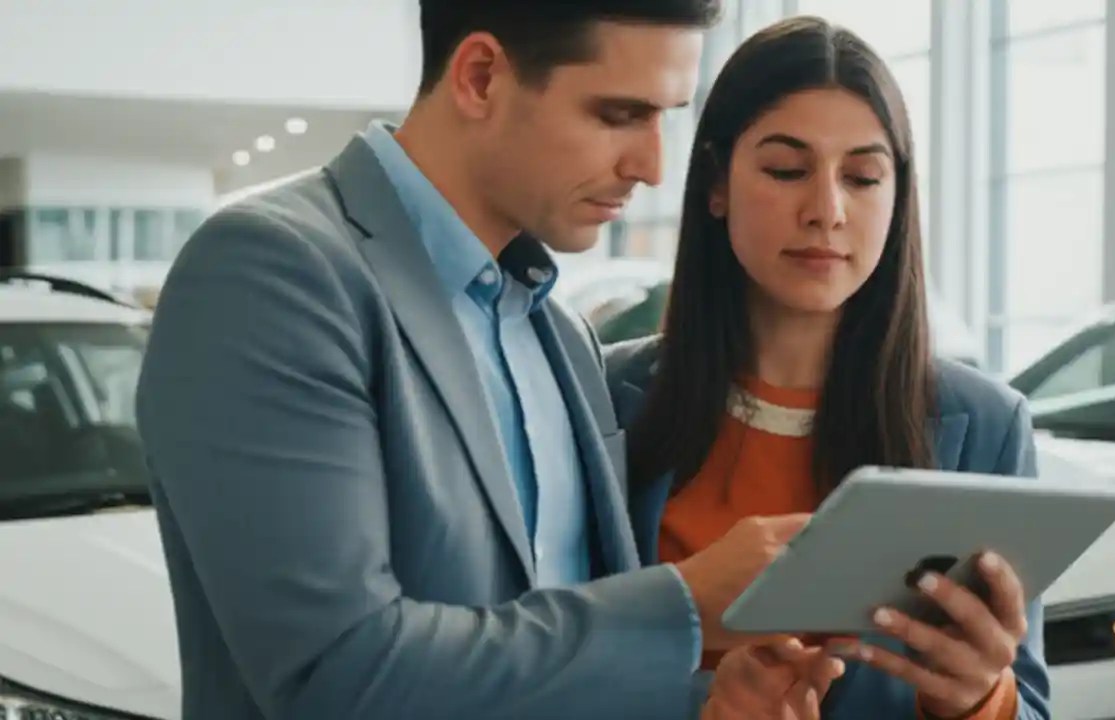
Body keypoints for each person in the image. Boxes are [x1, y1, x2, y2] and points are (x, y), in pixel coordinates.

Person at [135, 2, 844, 718]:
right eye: (619, 115)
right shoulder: (272, 274)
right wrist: (685, 605)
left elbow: (557, 659)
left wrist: (705, 702)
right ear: (479, 77)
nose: (653, 166)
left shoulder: (558, 333)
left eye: (665, 117)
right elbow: (336, 672)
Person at [606, 16, 1052, 720]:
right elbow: (554, 667)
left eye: (864, 177)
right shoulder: (605, 399)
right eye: (786, 170)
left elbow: (1030, 703)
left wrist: (979, 701)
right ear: (715, 185)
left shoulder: (986, 426)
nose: (826, 211)